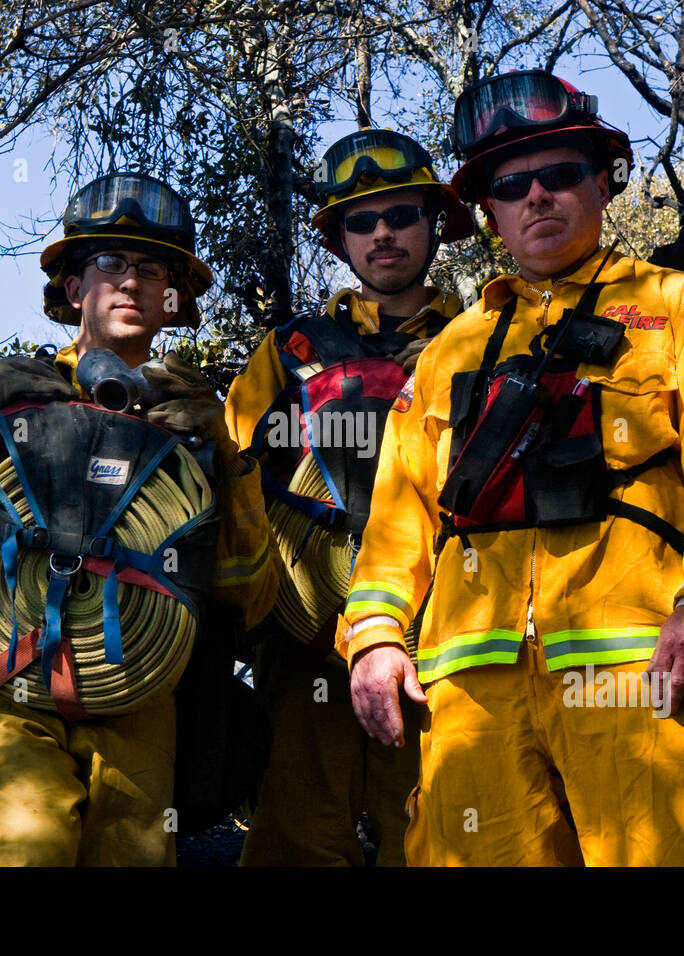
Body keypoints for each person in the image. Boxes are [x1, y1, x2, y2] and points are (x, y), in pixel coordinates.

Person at [338, 71, 684, 866]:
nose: (537, 195)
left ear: (603, 183)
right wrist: (374, 638)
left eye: (560, 174)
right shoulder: (448, 353)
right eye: (511, 184)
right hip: (472, 682)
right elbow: (400, 510)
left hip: (636, 665)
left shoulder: (682, 310)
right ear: (490, 211)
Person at [0, 172, 277, 866]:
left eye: (153, 269)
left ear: (175, 300)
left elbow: (245, 598)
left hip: (140, 695)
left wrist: (226, 460)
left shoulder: (198, 428)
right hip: (0, 686)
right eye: (111, 263)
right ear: (74, 289)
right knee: (31, 851)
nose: (132, 282)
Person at [225, 129, 471, 865]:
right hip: (304, 637)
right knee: (297, 834)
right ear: (339, 242)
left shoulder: (484, 340)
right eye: (361, 221)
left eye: (401, 214)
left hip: (444, 634)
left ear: (436, 223)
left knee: (438, 830)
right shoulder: (290, 352)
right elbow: (225, 469)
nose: (383, 233)